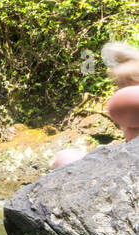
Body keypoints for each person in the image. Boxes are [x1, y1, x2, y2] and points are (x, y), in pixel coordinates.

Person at [50, 41, 139, 169]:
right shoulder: (125, 104)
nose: (118, 87)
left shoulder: (126, 103)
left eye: (124, 83)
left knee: (66, 158)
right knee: (66, 157)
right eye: (118, 84)